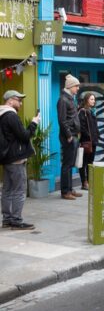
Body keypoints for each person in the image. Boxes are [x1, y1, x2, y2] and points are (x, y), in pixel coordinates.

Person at [0, 90, 40, 230]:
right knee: (19, 190)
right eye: (19, 100)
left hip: (6, 158)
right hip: (16, 159)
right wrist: (34, 123)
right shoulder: (11, 115)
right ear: (10, 100)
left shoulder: (2, 115)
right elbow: (24, 136)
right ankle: (16, 220)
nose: (21, 103)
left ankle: (7, 219)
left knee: (7, 189)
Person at [57, 74, 81, 199]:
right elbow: (62, 120)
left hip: (73, 135)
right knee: (67, 164)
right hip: (69, 136)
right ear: (70, 86)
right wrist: (68, 135)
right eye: (76, 86)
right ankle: (65, 191)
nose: (78, 88)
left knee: (71, 164)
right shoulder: (63, 100)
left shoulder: (70, 98)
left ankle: (70, 189)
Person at [77, 92, 100, 191]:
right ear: (86, 100)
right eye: (91, 99)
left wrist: (96, 137)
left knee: (90, 162)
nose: (93, 101)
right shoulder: (82, 111)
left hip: (93, 141)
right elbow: (81, 127)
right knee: (83, 163)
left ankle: (90, 181)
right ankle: (84, 182)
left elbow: (94, 127)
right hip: (86, 142)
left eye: (94, 99)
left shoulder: (91, 111)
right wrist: (89, 136)